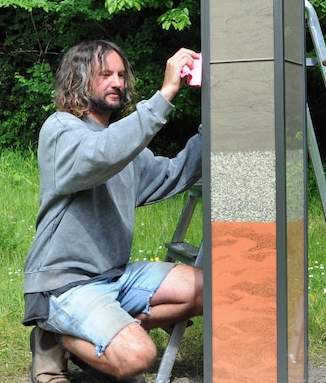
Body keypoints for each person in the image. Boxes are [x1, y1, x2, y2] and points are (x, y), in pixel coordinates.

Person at [23, 40, 204, 383]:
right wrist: (164, 95)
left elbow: (173, 174)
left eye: (121, 75)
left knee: (210, 287)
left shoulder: (120, 142)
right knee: (139, 357)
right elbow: (99, 156)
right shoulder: (61, 129)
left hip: (114, 276)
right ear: (78, 80)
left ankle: (95, 335)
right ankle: (56, 337)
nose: (118, 82)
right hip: (65, 283)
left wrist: (215, 130)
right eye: (105, 74)